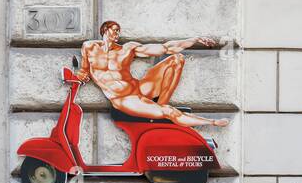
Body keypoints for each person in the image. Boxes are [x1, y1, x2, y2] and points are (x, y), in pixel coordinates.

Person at [79, 21, 228, 127]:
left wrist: (194, 40)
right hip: (123, 99)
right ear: (105, 30)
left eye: (119, 30)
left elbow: (165, 48)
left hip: (139, 88)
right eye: (114, 30)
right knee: (169, 112)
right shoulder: (89, 47)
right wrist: (81, 76)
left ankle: (161, 107)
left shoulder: (127, 49)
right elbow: (83, 71)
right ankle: (211, 122)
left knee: (176, 59)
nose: (117, 33)